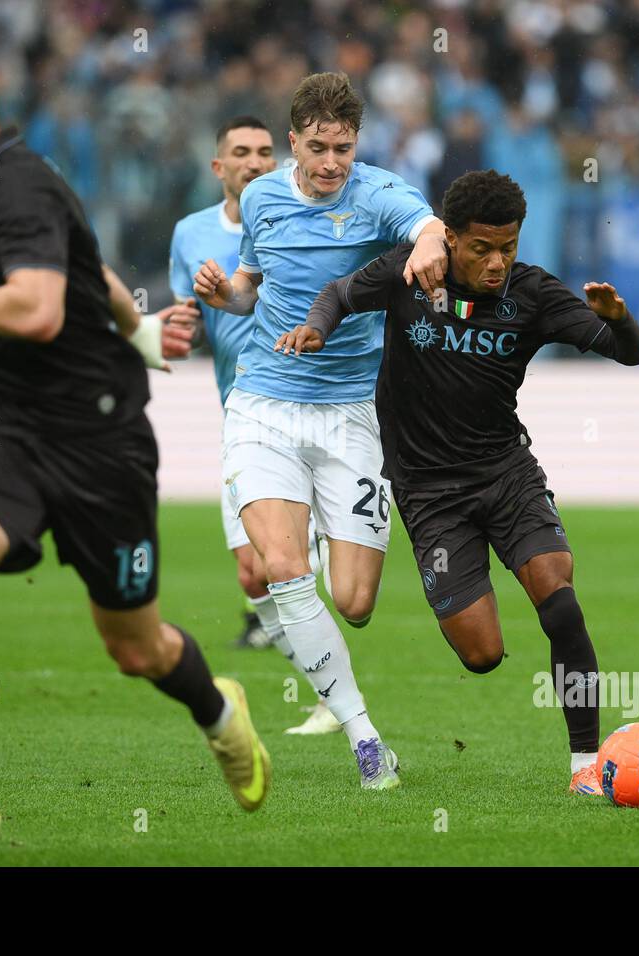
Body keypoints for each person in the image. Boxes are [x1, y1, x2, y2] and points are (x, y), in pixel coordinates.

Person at [0, 33, 271, 853]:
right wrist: (140, 328)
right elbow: (91, 269)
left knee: (134, 647)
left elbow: (41, 308)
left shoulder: (17, 187)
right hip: (10, 425)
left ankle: (220, 713)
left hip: (100, 438)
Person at [275, 169, 639, 793]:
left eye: (509, 246)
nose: (499, 262)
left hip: (506, 474)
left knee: (559, 601)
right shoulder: (410, 273)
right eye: (483, 248)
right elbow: (339, 293)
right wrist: (318, 327)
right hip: (428, 494)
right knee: (481, 655)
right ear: (449, 239)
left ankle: (586, 766)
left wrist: (621, 317)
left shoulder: (533, 294)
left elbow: (630, 353)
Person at [193, 72, 449, 789]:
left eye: (343, 147)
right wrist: (229, 295)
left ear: (356, 142)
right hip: (264, 405)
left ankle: (347, 693)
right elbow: (252, 288)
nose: (332, 162)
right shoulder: (265, 196)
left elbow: (428, 227)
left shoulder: (378, 193)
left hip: (351, 414)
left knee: (356, 602)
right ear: (293, 141)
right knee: (281, 567)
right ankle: (365, 738)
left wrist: (430, 246)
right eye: (318, 147)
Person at [168, 115, 341, 734]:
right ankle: (326, 687)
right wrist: (175, 328)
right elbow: (187, 320)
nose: (254, 161)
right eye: (240, 152)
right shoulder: (190, 233)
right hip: (239, 415)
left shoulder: (306, 219)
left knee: (289, 563)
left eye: (265, 151)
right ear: (219, 167)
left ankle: (335, 697)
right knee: (252, 573)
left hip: (310, 410)